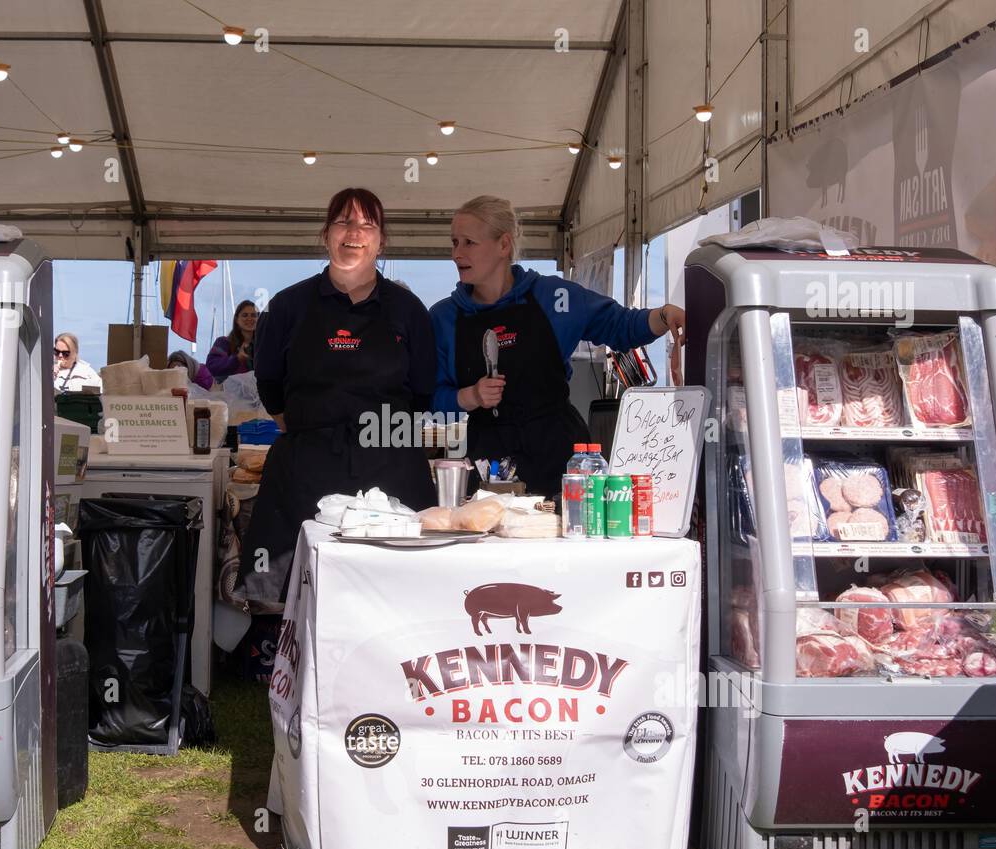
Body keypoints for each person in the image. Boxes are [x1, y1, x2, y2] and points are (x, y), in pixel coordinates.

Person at [237, 187, 437, 608]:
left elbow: (422, 388)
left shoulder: (407, 309)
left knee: (395, 585)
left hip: (392, 458)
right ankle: (297, 664)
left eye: (367, 224)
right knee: (301, 587)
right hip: (310, 460)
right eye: (344, 222)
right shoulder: (289, 306)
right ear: (326, 233)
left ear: (381, 239)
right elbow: (270, 380)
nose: (354, 233)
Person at [430, 195, 686, 497]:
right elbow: (431, 399)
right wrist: (469, 396)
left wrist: (663, 315)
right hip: (488, 465)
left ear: (504, 245)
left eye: (469, 243)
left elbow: (619, 325)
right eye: (454, 242)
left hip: (560, 458)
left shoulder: (554, 297)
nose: (457, 253)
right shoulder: (444, 317)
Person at [205, 300, 258, 382]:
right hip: (230, 393)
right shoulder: (223, 342)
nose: (249, 318)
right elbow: (211, 367)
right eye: (245, 315)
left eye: (254, 315)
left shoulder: (264, 346)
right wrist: (237, 359)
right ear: (237, 320)